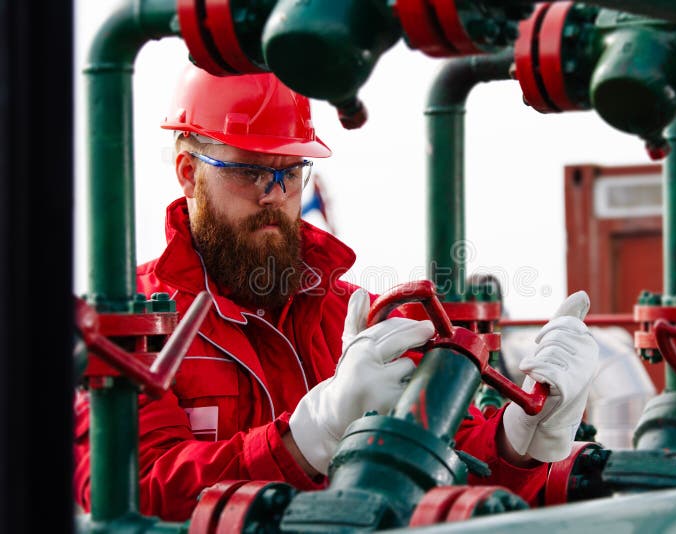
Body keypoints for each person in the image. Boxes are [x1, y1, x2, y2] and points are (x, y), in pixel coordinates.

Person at [73, 64, 599, 522]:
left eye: (290, 173)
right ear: (189, 173)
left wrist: (522, 438)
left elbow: (452, 465)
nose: (273, 197)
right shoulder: (131, 328)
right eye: (251, 171)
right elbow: (127, 493)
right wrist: (308, 437)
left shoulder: (355, 317)